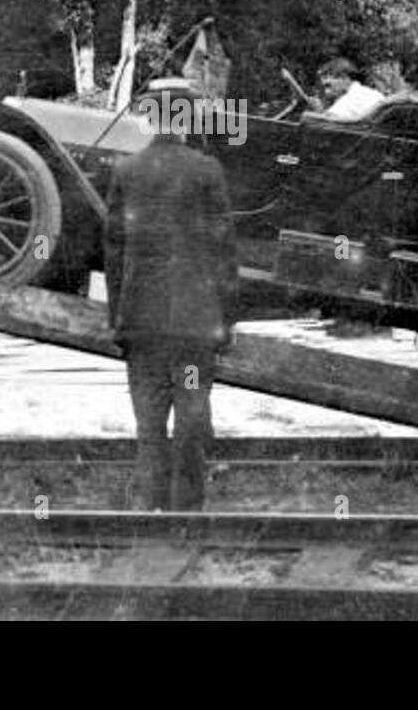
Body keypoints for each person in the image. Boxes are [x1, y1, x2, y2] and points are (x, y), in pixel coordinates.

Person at [105, 77, 238, 511]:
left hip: (141, 329)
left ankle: (150, 509)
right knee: (191, 418)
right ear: (187, 117)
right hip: (194, 330)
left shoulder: (125, 172)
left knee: (149, 425)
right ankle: (186, 514)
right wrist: (227, 320)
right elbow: (223, 252)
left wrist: (117, 320)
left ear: (150, 118)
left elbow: (113, 254)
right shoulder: (206, 171)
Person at [303, 57, 386, 122]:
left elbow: (328, 125)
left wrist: (319, 112)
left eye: (329, 76)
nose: (324, 84)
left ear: (345, 78)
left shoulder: (352, 98)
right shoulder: (373, 94)